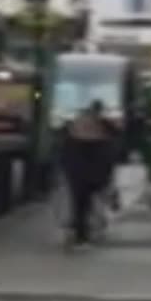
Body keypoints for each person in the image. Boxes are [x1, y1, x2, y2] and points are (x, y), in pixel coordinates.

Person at [59, 101, 116, 249]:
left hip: (77, 174)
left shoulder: (72, 129)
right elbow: (109, 155)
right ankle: (86, 233)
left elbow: (64, 154)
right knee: (89, 204)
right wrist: (106, 176)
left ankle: (78, 233)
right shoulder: (104, 128)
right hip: (93, 175)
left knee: (79, 204)